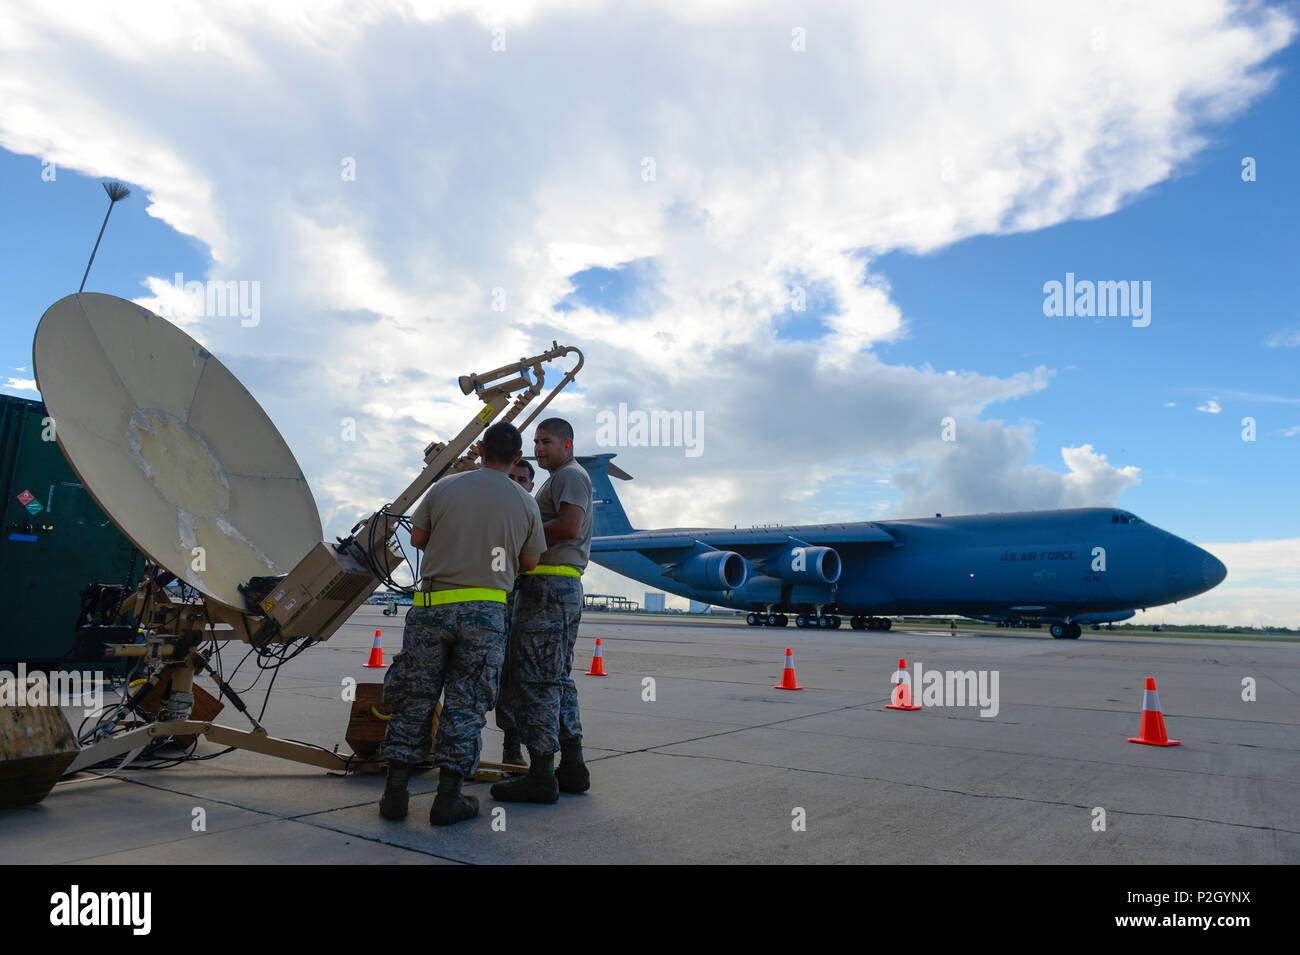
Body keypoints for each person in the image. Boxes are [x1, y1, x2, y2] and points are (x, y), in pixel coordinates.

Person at [378, 422, 546, 826]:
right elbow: (530, 562)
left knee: (414, 697)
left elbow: (417, 538)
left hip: (432, 608)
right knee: (467, 703)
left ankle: (395, 794)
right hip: (485, 615)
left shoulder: (446, 488)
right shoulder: (525, 502)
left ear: (481, 450)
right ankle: (448, 798)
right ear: (518, 458)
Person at [492, 417, 593, 804]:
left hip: (547, 588)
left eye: (546, 441)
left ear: (568, 443)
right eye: (535, 441)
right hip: (555, 587)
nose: (539, 448)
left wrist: (518, 533)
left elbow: (568, 526)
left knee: (535, 681)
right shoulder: (561, 477)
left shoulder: (569, 475)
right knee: (556, 678)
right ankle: (571, 765)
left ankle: (540, 774)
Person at [496, 457, 535, 766]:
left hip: (521, 608)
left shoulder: (533, 516)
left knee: (514, 679)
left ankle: (512, 747)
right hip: (485, 605)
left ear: (531, 486)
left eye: (523, 480)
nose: (517, 484)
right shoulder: (487, 511)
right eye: (512, 478)